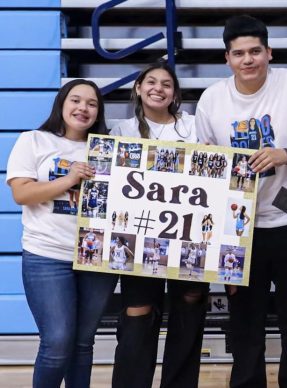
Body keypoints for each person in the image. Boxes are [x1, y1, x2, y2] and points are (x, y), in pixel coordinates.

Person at [195, 15, 287, 388]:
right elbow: (206, 163)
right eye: (239, 53)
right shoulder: (212, 99)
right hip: (240, 226)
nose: (248, 59)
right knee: (244, 318)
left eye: (255, 51)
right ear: (227, 59)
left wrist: (284, 153)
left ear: (269, 53)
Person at [6, 79, 117, 388]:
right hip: (47, 256)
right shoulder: (34, 140)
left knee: (83, 344)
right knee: (57, 343)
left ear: (99, 112)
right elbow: (22, 194)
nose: (83, 108)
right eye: (76, 100)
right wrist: (69, 179)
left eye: (92, 104)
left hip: (96, 259)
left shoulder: (108, 148)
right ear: (62, 104)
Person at [108, 61, 209, 388]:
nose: (158, 88)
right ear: (138, 88)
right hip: (138, 239)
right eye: (151, 82)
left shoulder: (194, 126)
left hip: (190, 236)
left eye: (166, 84)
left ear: (175, 93)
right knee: (138, 313)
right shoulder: (121, 131)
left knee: (189, 309)